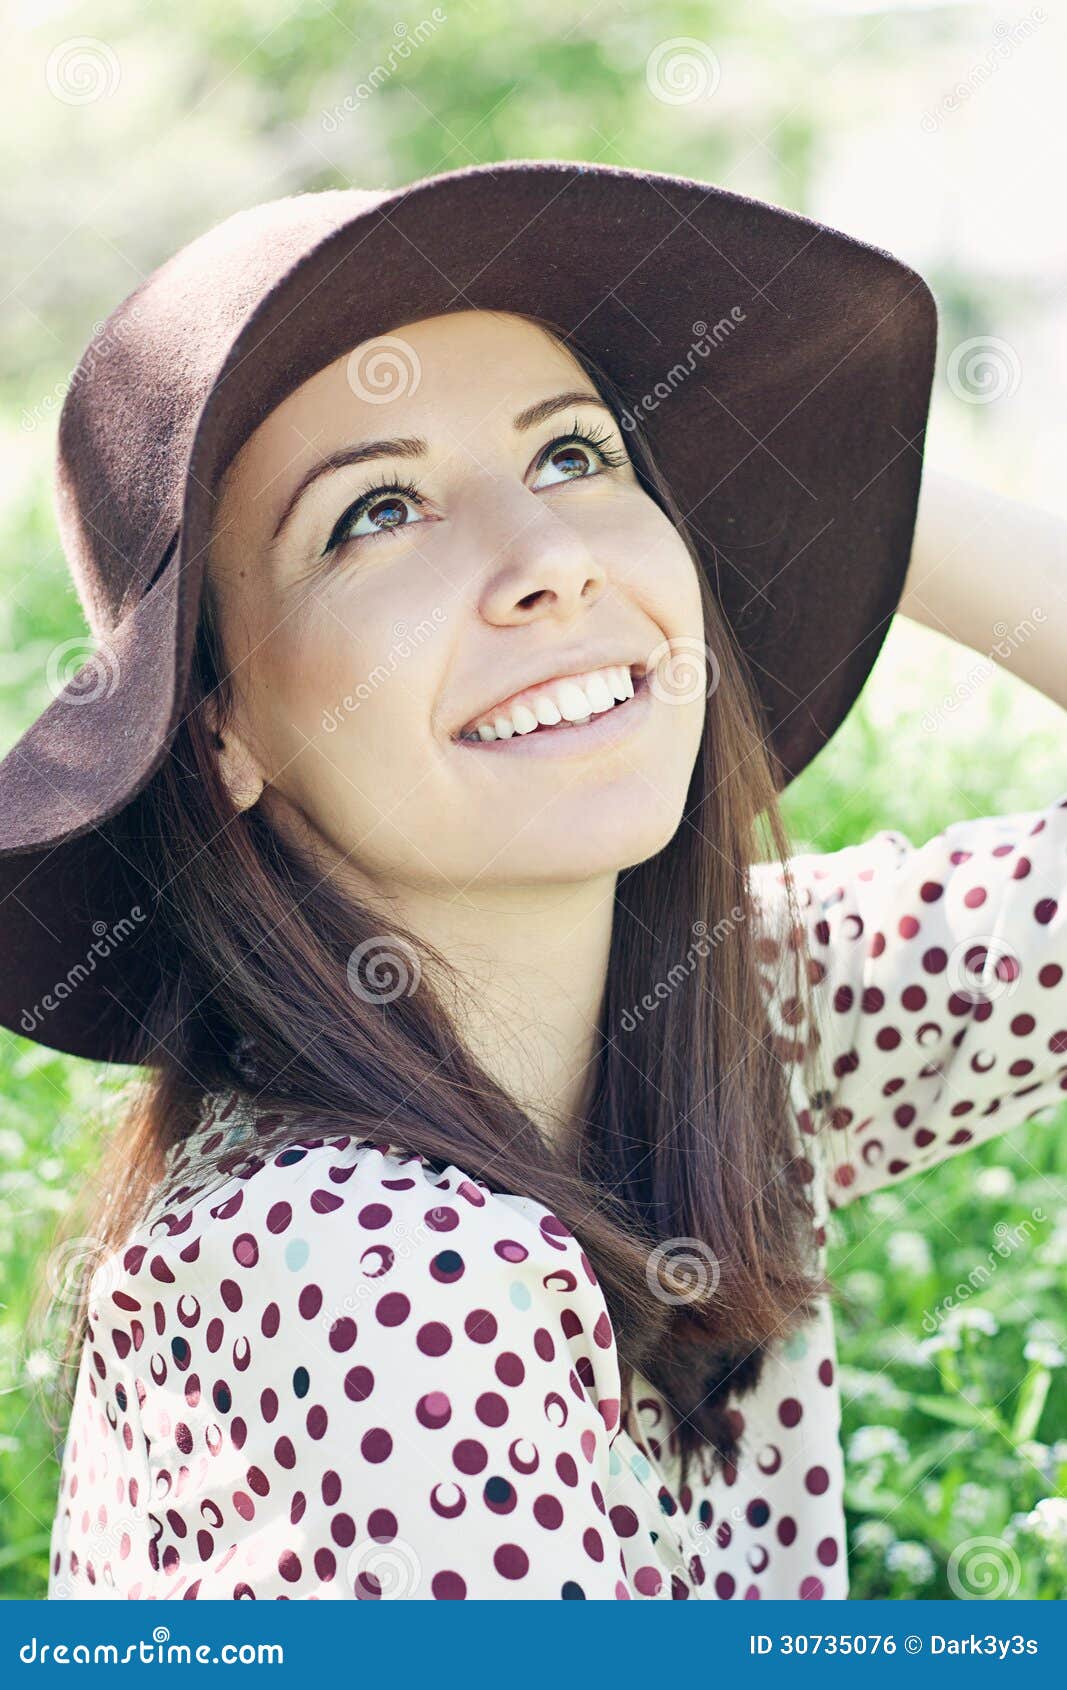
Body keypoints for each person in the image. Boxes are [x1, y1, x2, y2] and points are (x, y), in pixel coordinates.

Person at [2, 160, 1062, 1600]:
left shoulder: (731, 1014)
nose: (552, 562)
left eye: (575, 456)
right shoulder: (379, 1277)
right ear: (221, 731)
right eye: (376, 511)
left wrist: (827, 455)